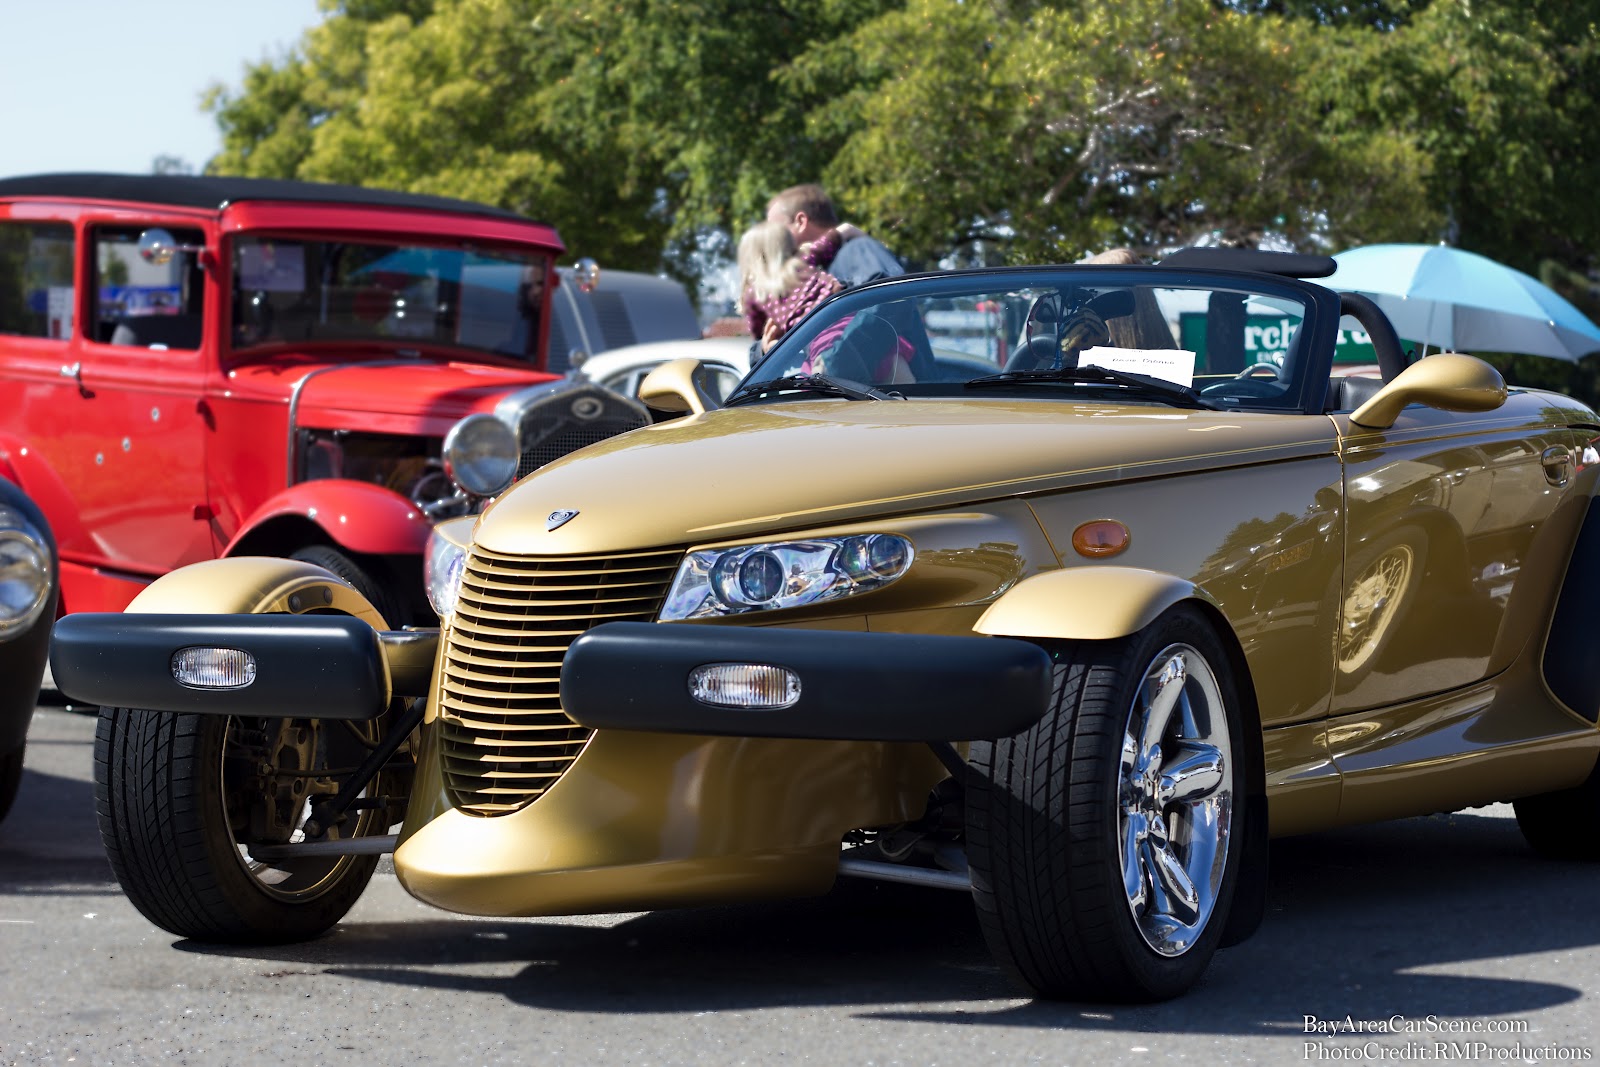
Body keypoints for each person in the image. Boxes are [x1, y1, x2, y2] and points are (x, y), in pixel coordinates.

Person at [765, 184, 903, 289]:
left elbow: (887, 302)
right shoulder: (813, 274)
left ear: (801, 222)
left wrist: (848, 328)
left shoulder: (857, 250)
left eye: (775, 230)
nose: (770, 241)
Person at [737, 220, 844, 353]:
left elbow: (759, 336)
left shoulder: (755, 292)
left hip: (810, 337)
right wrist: (845, 230)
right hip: (841, 311)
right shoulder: (804, 259)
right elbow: (831, 239)